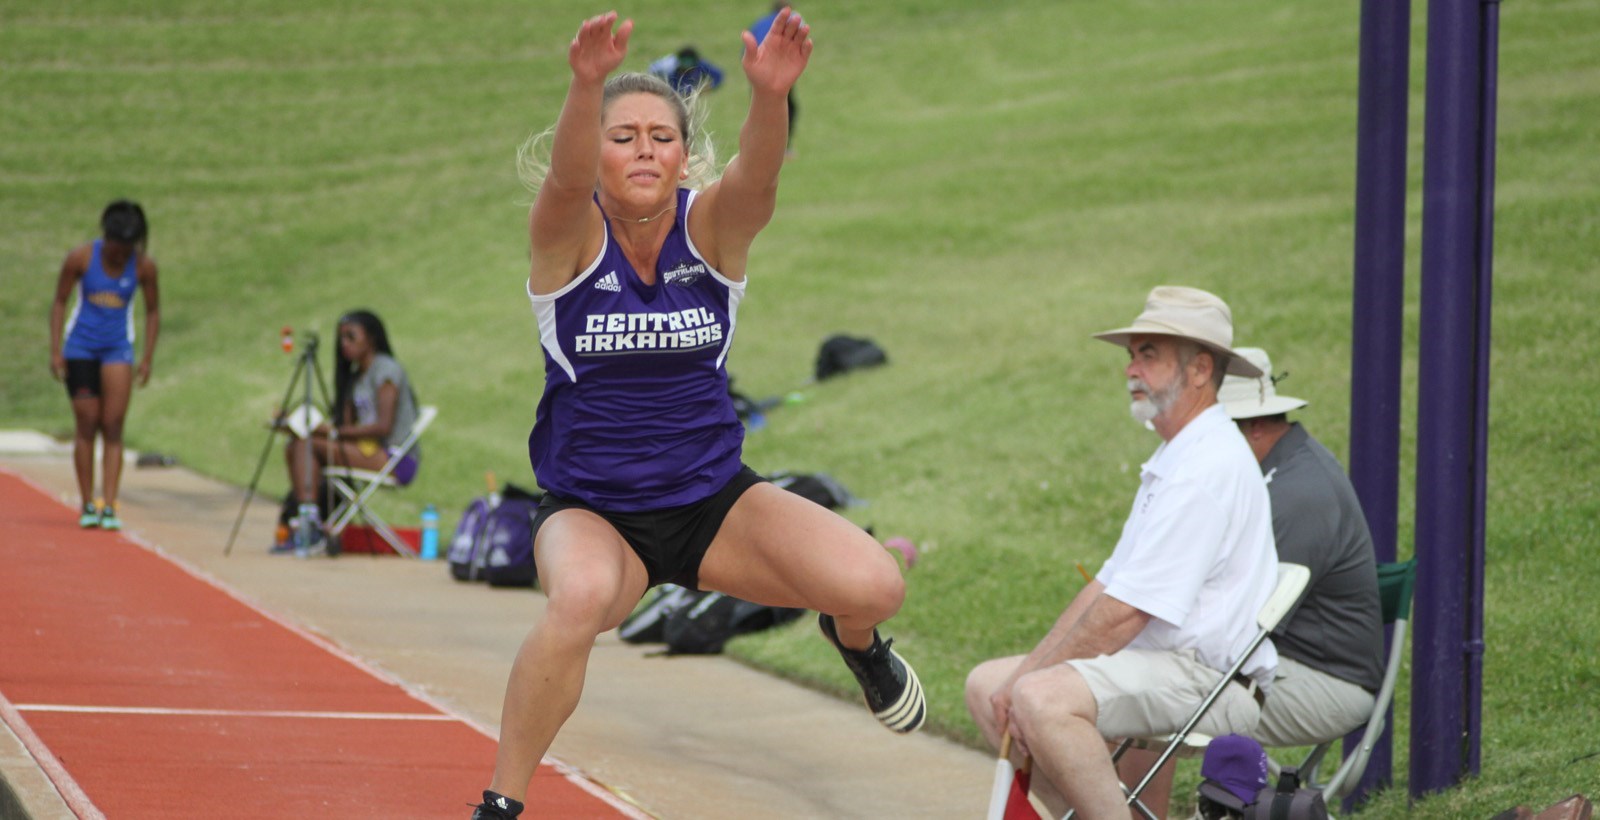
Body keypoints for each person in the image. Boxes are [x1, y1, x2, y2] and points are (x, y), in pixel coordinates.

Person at [472, 10, 921, 820]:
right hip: (596, 512)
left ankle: (855, 645)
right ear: (595, 152)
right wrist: (584, 85)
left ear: (684, 155)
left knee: (877, 585)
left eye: (659, 135)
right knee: (576, 606)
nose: (643, 148)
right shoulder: (566, 240)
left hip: (715, 503)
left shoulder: (708, 229)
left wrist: (771, 96)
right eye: (622, 136)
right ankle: (501, 802)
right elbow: (567, 184)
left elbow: (758, 181)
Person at [964, 286, 1279, 819]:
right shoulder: (1179, 456)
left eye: (1149, 354)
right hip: (1164, 665)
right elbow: (1106, 586)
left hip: (1209, 680)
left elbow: (1125, 615)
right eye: (1132, 354)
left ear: (1201, 369)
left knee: (1042, 698)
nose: (1132, 369)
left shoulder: (1204, 467)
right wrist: (1021, 678)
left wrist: (1031, 683)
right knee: (987, 685)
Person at [1221, 347, 1383, 747]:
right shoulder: (1282, 470)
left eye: (1212, 431)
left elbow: (1245, 623)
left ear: (1255, 425)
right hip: (1291, 661)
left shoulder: (1296, 495)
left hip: (1324, 682)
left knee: (1148, 700)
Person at [48, 199, 161, 531]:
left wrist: (147, 357)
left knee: (113, 424)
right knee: (87, 422)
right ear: (106, 237)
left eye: (127, 248)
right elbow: (60, 300)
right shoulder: (81, 258)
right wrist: (56, 350)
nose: (119, 254)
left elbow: (153, 310)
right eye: (115, 246)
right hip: (81, 346)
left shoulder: (143, 267)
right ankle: (86, 503)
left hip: (117, 349)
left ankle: (109, 504)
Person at [275, 309, 421, 555]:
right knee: (297, 441)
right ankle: (307, 519)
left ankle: (310, 526)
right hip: (365, 451)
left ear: (371, 338)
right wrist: (293, 422)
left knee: (307, 442)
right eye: (341, 338)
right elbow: (344, 426)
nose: (344, 344)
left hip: (394, 457)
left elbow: (382, 427)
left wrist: (329, 431)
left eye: (351, 337)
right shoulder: (355, 378)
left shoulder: (386, 370)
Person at [749, 2, 797, 153]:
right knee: (787, 109)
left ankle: (756, 148)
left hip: (757, 72)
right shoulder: (789, 22)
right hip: (780, 73)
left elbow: (747, 48)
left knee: (758, 111)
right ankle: (783, 148)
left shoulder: (760, 23)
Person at [647, 46, 725, 97]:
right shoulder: (668, 68)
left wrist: (708, 87)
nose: (687, 66)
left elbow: (718, 75)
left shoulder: (700, 63)